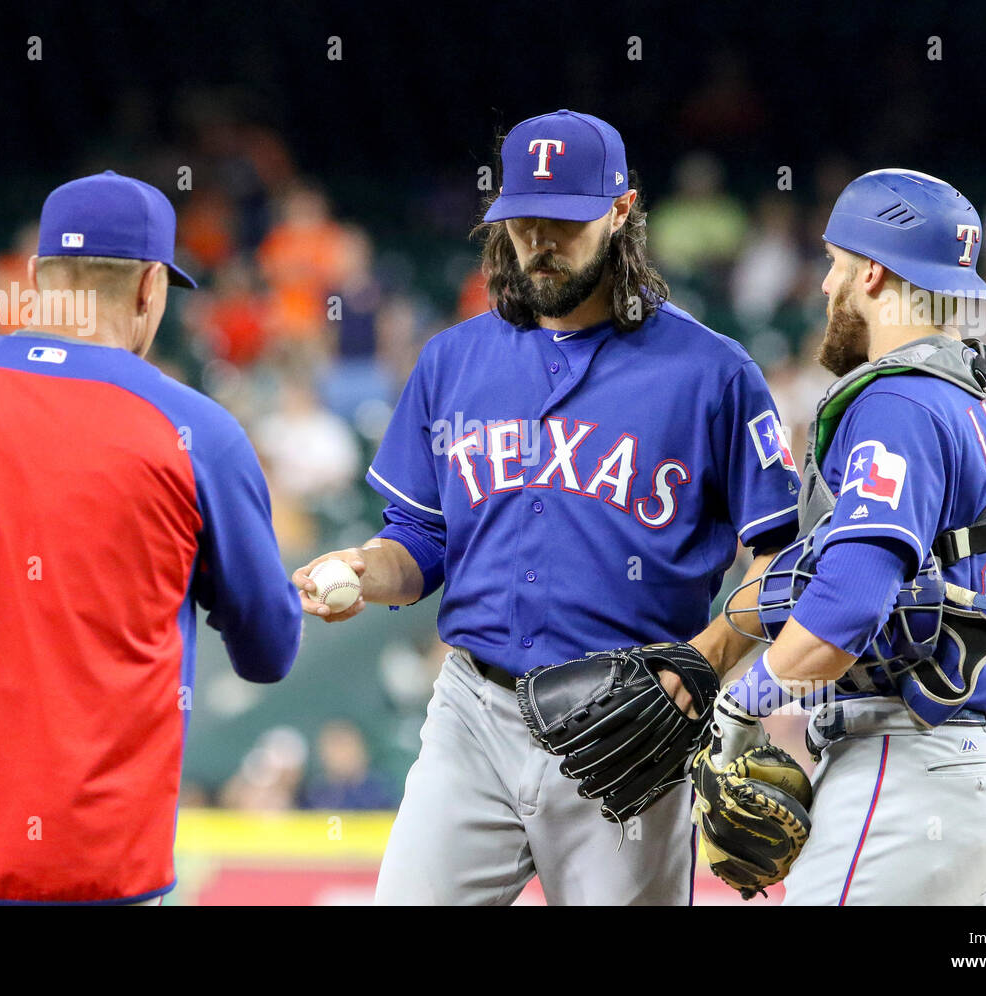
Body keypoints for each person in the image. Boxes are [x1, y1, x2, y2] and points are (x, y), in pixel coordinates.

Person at [293, 110, 801, 905]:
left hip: (630, 726)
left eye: (565, 221)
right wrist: (364, 569)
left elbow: (781, 556)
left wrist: (706, 662)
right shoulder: (454, 360)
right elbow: (420, 543)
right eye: (524, 220)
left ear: (623, 211)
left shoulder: (713, 373)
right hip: (473, 715)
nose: (540, 240)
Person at [0, 170, 302, 905]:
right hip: (101, 863)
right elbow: (268, 652)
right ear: (151, 287)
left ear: (35, 276)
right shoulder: (199, 432)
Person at [704, 169, 986, 905]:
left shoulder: (894, 402)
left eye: (833, 264)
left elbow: (848, 607)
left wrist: (741, 705)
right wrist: (970, 676)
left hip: (902, 778)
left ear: (873, 270)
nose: (826, 286)